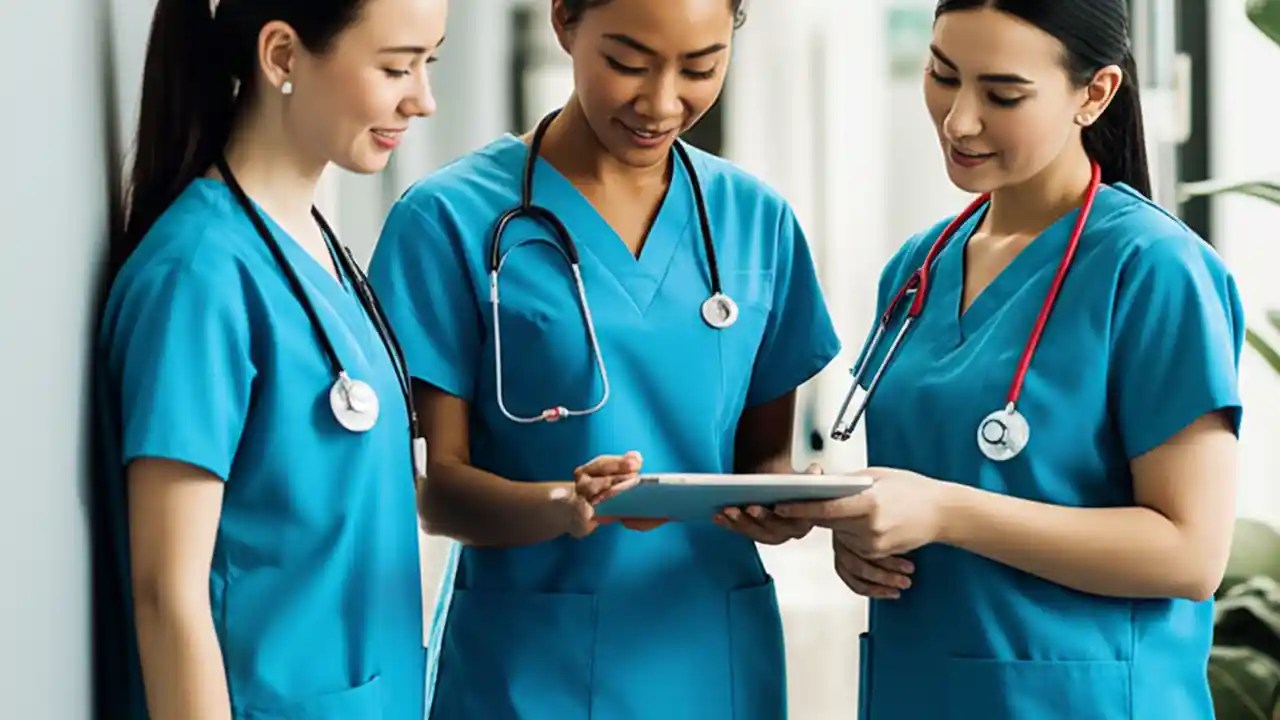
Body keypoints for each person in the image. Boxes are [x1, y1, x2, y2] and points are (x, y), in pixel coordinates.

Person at [366, 0, 840, 716]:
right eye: (627, 63)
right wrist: (566, 505)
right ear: (563, 22)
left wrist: (786, 502)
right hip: (529, 665)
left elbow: (761, 459)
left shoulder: (756, 221)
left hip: (709, 654)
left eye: (701, 67)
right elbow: (439, 488)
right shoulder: (447, 219)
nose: (662, 102)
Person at [776, 2, 1243, 718]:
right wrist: (865, 539)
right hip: (922, 688)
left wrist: (943, 512)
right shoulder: (918, 268)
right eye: (941, 74)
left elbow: (1190, 554)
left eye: (1003, 94)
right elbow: (928, 501)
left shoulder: (1154, 268)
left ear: (1095, 93)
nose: (959, 119)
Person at [95, 0, 447, 717]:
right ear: (282, 56)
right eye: (395, 67)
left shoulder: (318, 248)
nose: (423, 100)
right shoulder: (199, 276)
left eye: (428, 63)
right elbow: (168, 597)